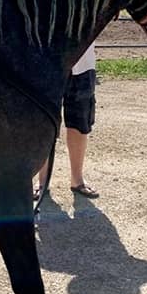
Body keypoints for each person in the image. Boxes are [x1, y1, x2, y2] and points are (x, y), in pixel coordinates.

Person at [36, 41, 99, 199]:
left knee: (80, 124)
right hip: (47, 65)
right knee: (45, 124)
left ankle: (77, 180)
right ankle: (41, 182)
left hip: (83, 66)